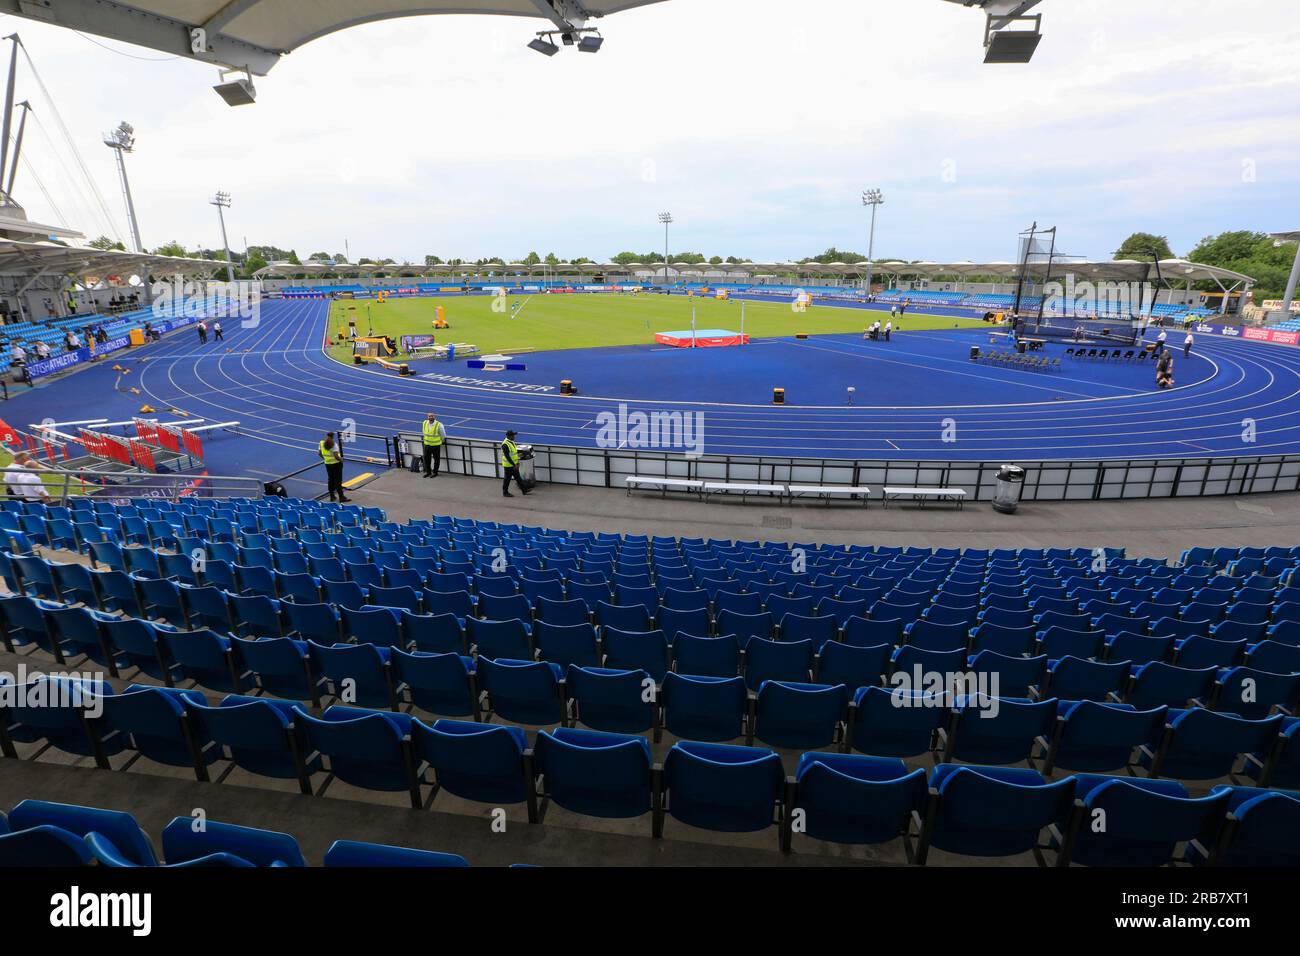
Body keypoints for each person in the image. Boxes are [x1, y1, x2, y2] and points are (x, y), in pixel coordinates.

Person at [319, 432, 351, 503]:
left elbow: (319, 453)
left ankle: (332, 496)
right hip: (336, 464)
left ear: (326, 436)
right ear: (333, 437)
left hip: (327, 464)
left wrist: (325, 459)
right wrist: (341, 459)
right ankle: (341, 497)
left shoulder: (321, 443)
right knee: (338, 481)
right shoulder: (334, 445)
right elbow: (336, 456)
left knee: (331, 480)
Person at [500, 429, 529, 498]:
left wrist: (517, 462)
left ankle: (524, 490)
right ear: (509, 436)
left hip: (513, 464)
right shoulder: (505, 444)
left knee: (518, 477)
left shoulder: (511, 442)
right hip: (508, 465)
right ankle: (505, 492)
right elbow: (507, 456)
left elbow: (514, 454)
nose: (514, 436)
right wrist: (514, 464)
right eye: (513, 435)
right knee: (507, 479)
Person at [420, 411, 446, 478]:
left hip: (436, 445)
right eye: (429, 416)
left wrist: (442, 441)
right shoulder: (425, 422)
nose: (430, 417)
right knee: (427, 459)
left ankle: (435, 472)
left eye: (432, 416)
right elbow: (423, 431)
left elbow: (443, 435)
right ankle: (428, 472)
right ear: (427, 417)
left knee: (436, 460)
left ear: (435, 417)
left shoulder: (439, 424)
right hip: (427, 445)